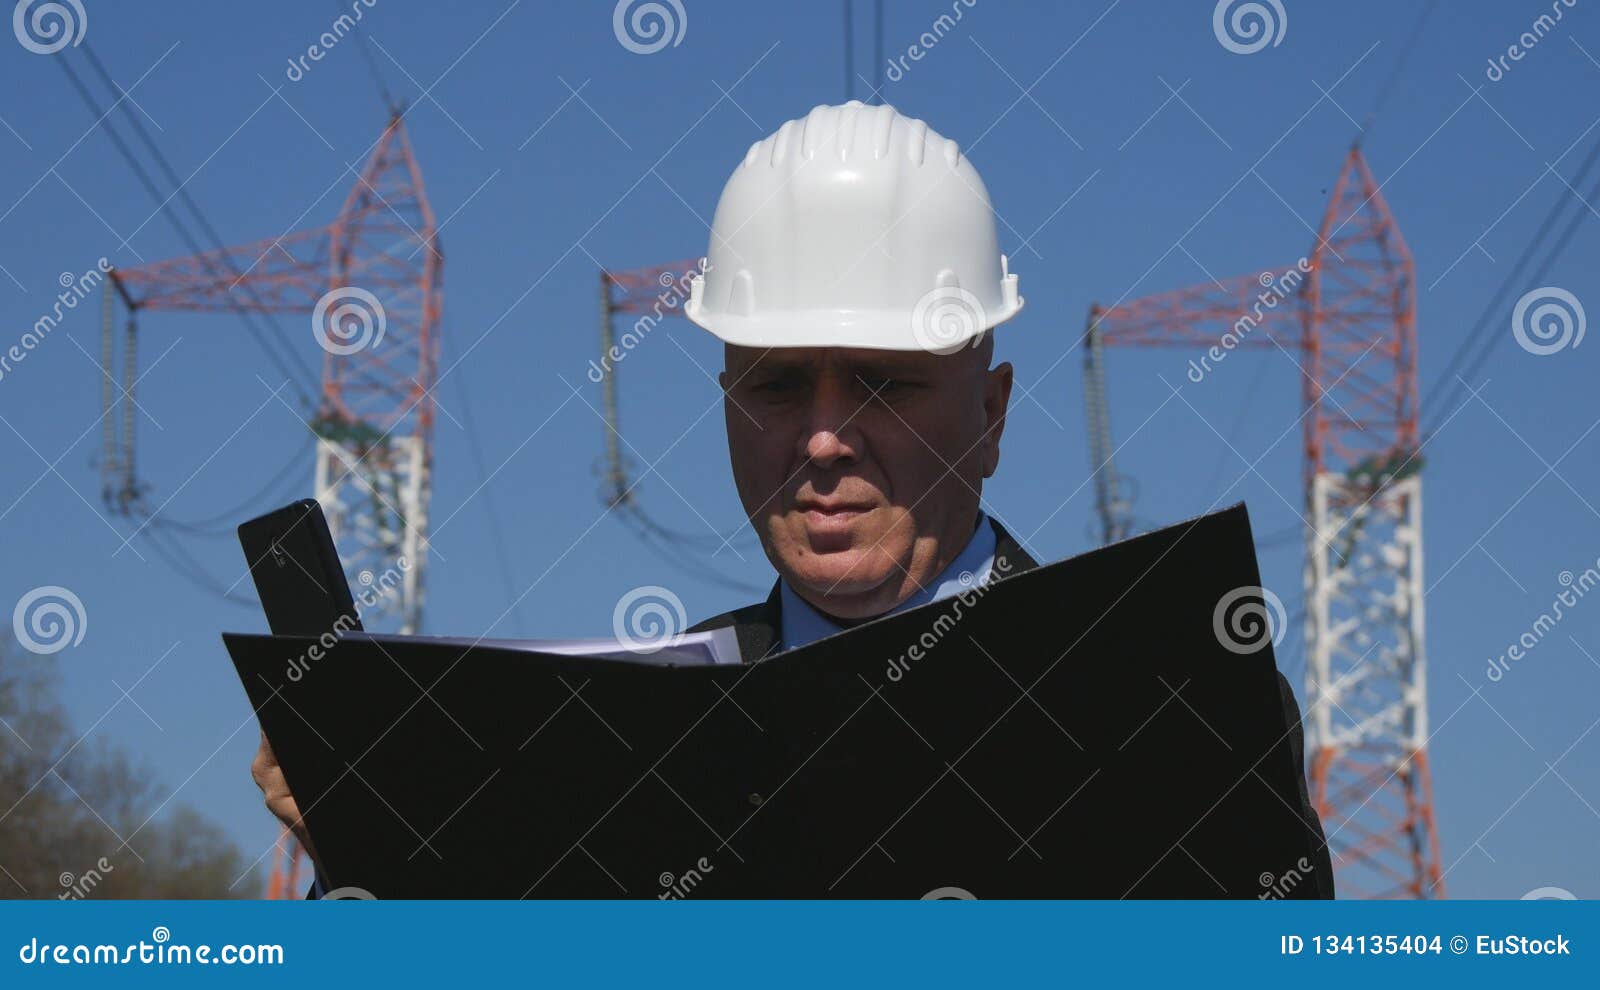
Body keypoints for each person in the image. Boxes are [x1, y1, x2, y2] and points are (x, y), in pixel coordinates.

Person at [253, 100, 1331, 897]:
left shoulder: (1169, 707)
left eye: (883, 382)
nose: (821, 437)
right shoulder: (612, 744)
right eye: (775, 384)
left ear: (993, 416)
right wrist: (387, 866)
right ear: (725, 403)